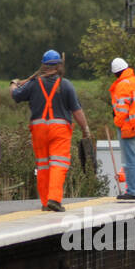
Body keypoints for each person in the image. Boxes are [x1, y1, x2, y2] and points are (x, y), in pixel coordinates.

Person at [10, 49, 92, 212]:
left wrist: (13, 83)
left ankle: (46, 201)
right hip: (59, 130)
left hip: (39, 129)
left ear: (44, 66)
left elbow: (16, 95)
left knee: (43, 166)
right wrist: (85, 129)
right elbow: (77, 111)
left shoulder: (34, 84)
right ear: (58, 66)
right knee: (58, 164)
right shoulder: (65, 85)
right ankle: (54, 199)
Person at [108, 57, 135, 201]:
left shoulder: (123, 85)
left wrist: (117, 122)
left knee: (129, 161)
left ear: (116, 73)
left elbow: (121, 110)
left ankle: (134, 191)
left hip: (129, 126)